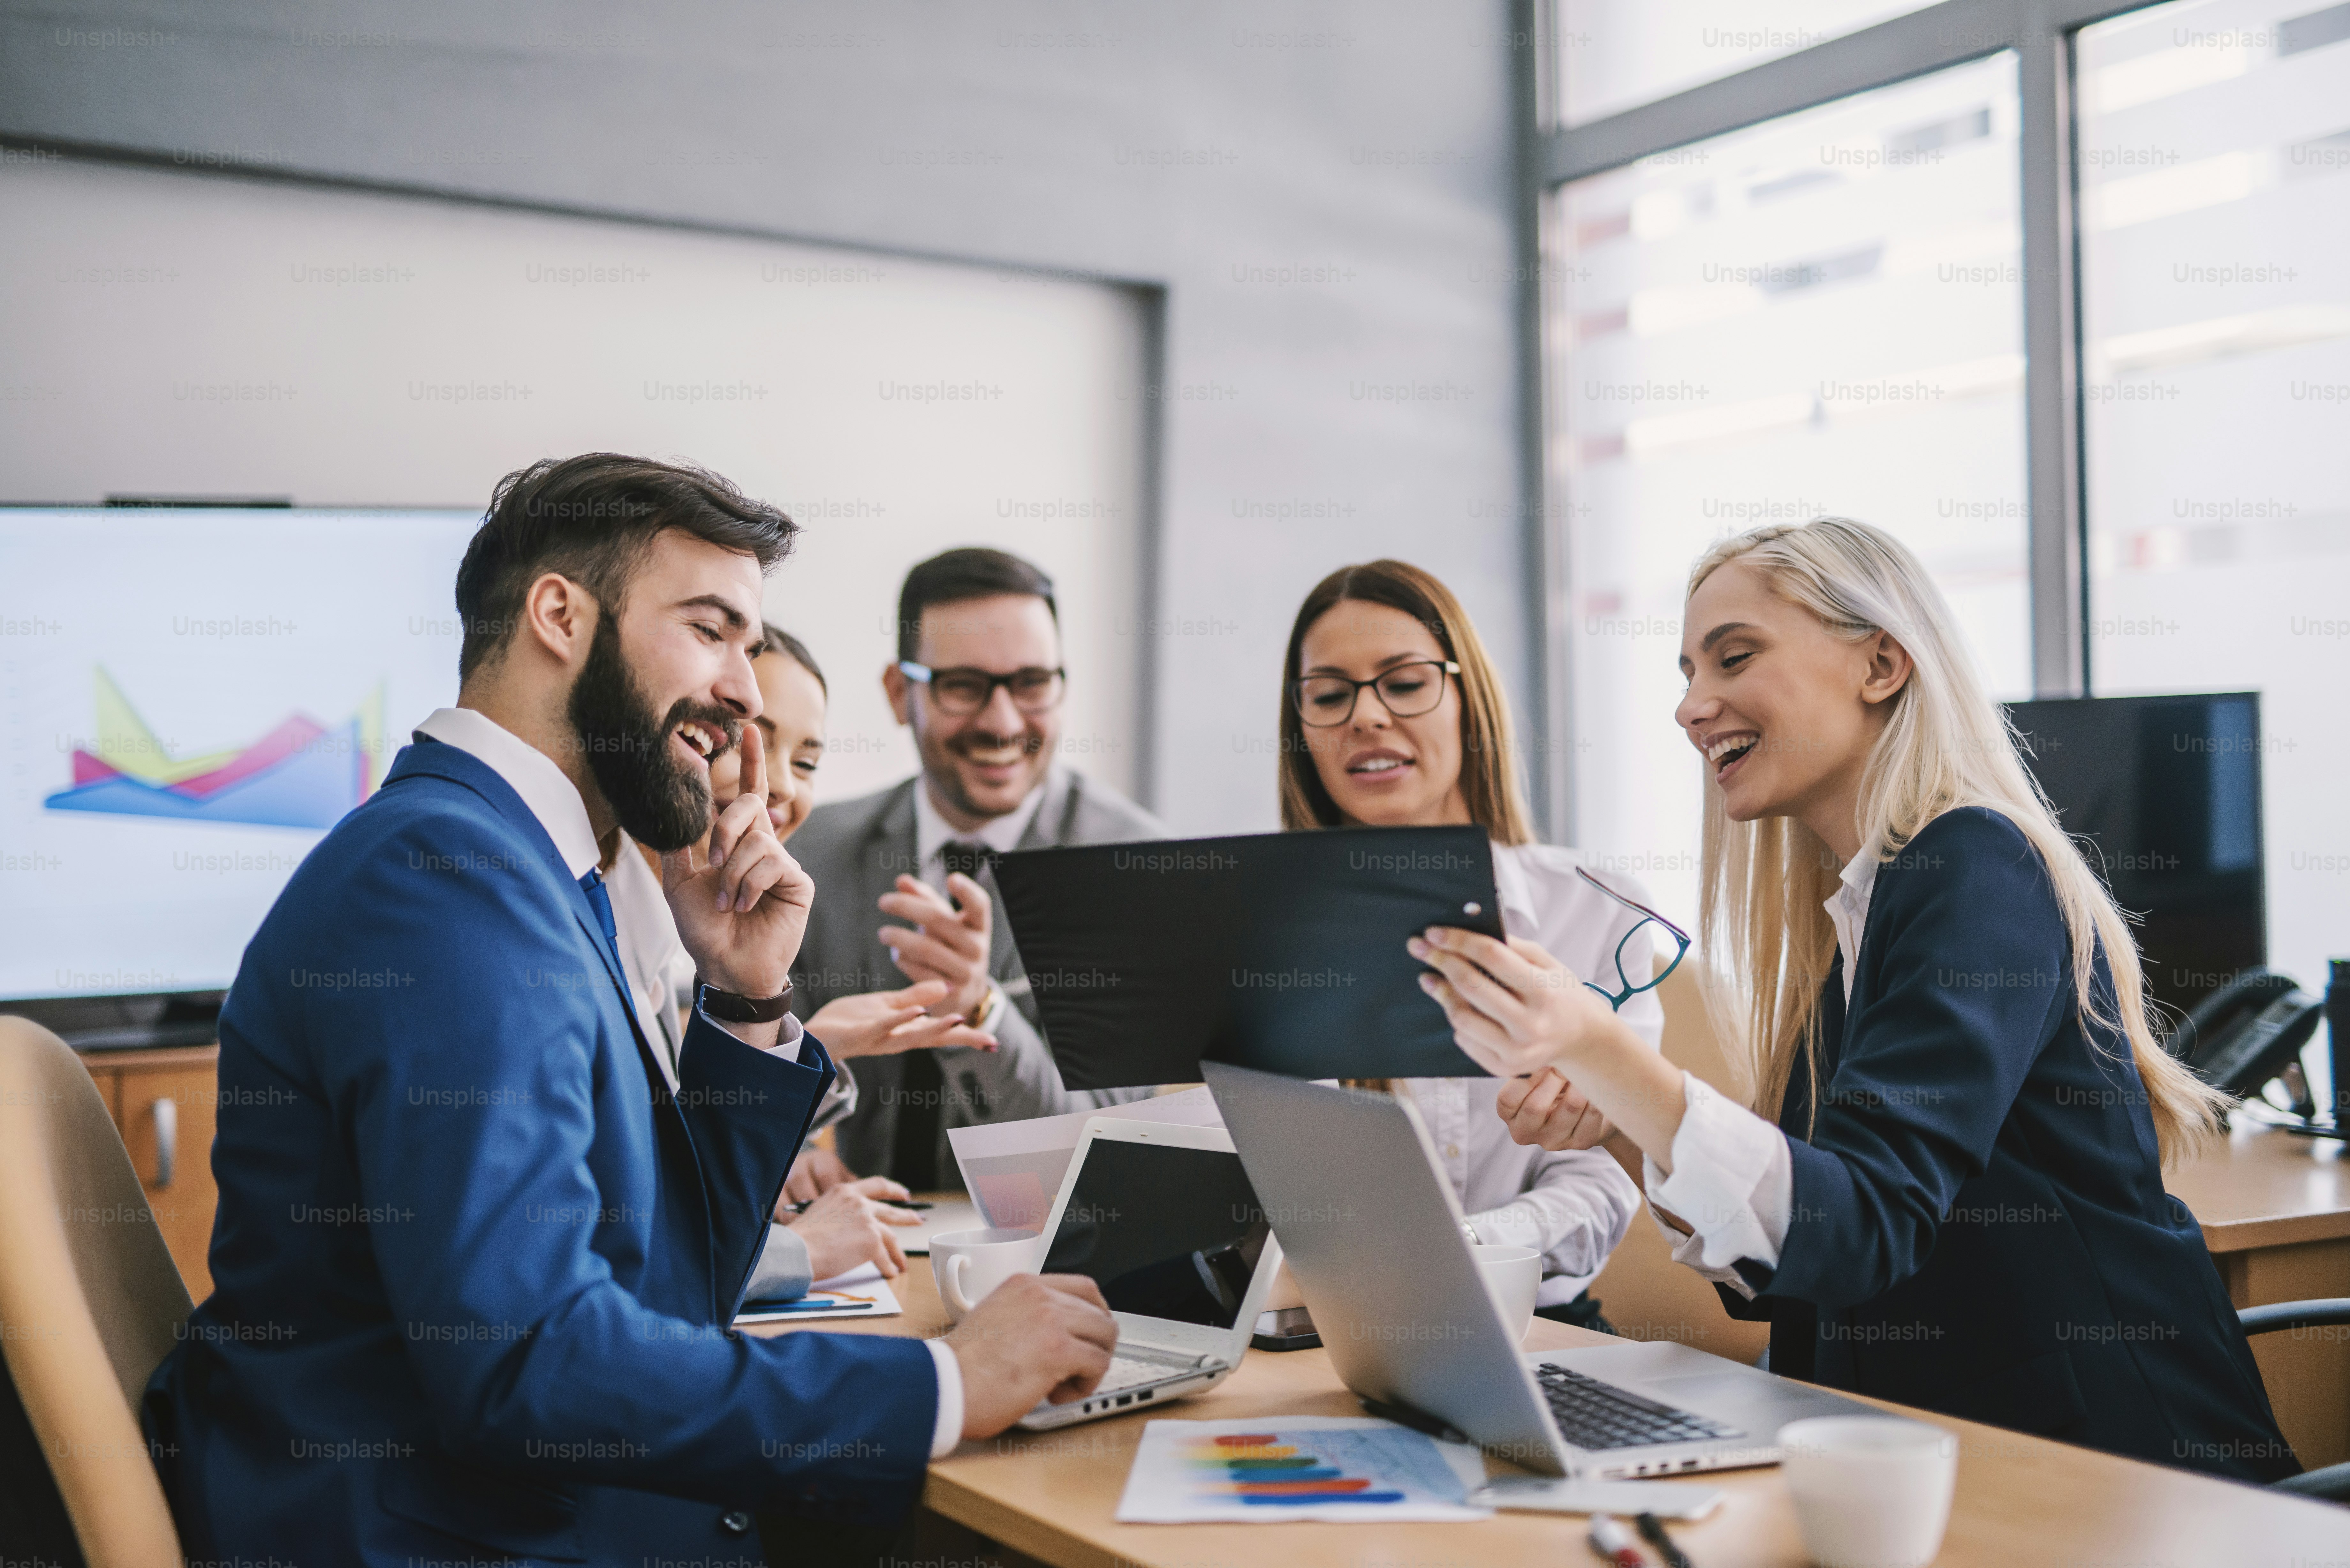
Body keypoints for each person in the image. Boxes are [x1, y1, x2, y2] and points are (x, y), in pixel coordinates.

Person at [143, 455, 1120, 1567]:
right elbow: (526, 1363)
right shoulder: (442, 889)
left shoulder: (529, 871)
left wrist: (748, 1002)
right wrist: (949, 1380)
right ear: (560, 614)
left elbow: (665, 1277)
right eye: (713, 630)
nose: (749, 691)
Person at [1412, 517, 2296, 1482]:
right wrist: (1623, 1118)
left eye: (1733, 657)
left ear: (1881, 663)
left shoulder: (1976, 865)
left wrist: (1607, 1051)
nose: (1690, 708)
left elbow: (1861, 1229)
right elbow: (1794, 1274)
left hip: (2113, 1466)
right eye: (1684, 673)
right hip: (1929, 1447)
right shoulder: (1858, 920)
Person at [1277, 560, 1654, 1328]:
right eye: (1328, 694)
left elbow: (1600, 1174)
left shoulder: (1591, 906)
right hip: (1322, 1332)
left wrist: (1462, 1248)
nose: (1366, 716)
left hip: (1536, 1326)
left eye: (1404, 682)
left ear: (1466, 701)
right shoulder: (1266, 932)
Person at [787, 547, 1165, 1196]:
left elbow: (1096, 1157)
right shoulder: (812, 848)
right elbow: (763, 1066)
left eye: (1031, 683)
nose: (1001, 721)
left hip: (1056, 1257)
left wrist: (982, 1009)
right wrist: (783, 1146)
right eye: (963, 684)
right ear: (899, 693)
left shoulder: (1135, 870)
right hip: (860, 1258)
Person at [600, 624, 951, 1296]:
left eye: (809, 761)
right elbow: (629, 1246)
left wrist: (790, 1032)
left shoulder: (671, 940)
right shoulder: (592, 927)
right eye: (743, 739)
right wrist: (798, 1250)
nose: (781, 788)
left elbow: (685, 1184)